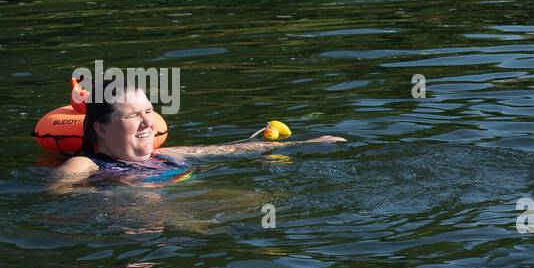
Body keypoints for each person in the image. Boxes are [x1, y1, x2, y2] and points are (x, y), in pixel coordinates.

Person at [49, 79, 345, 185]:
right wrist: (114, 198)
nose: (148, 123)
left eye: (149, 112)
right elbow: (57, 192)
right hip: (137, 224)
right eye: (134, 116)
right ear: (101, 128)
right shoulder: (87, 164)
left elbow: (228, 149)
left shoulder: (164, 155)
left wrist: (307, 143)